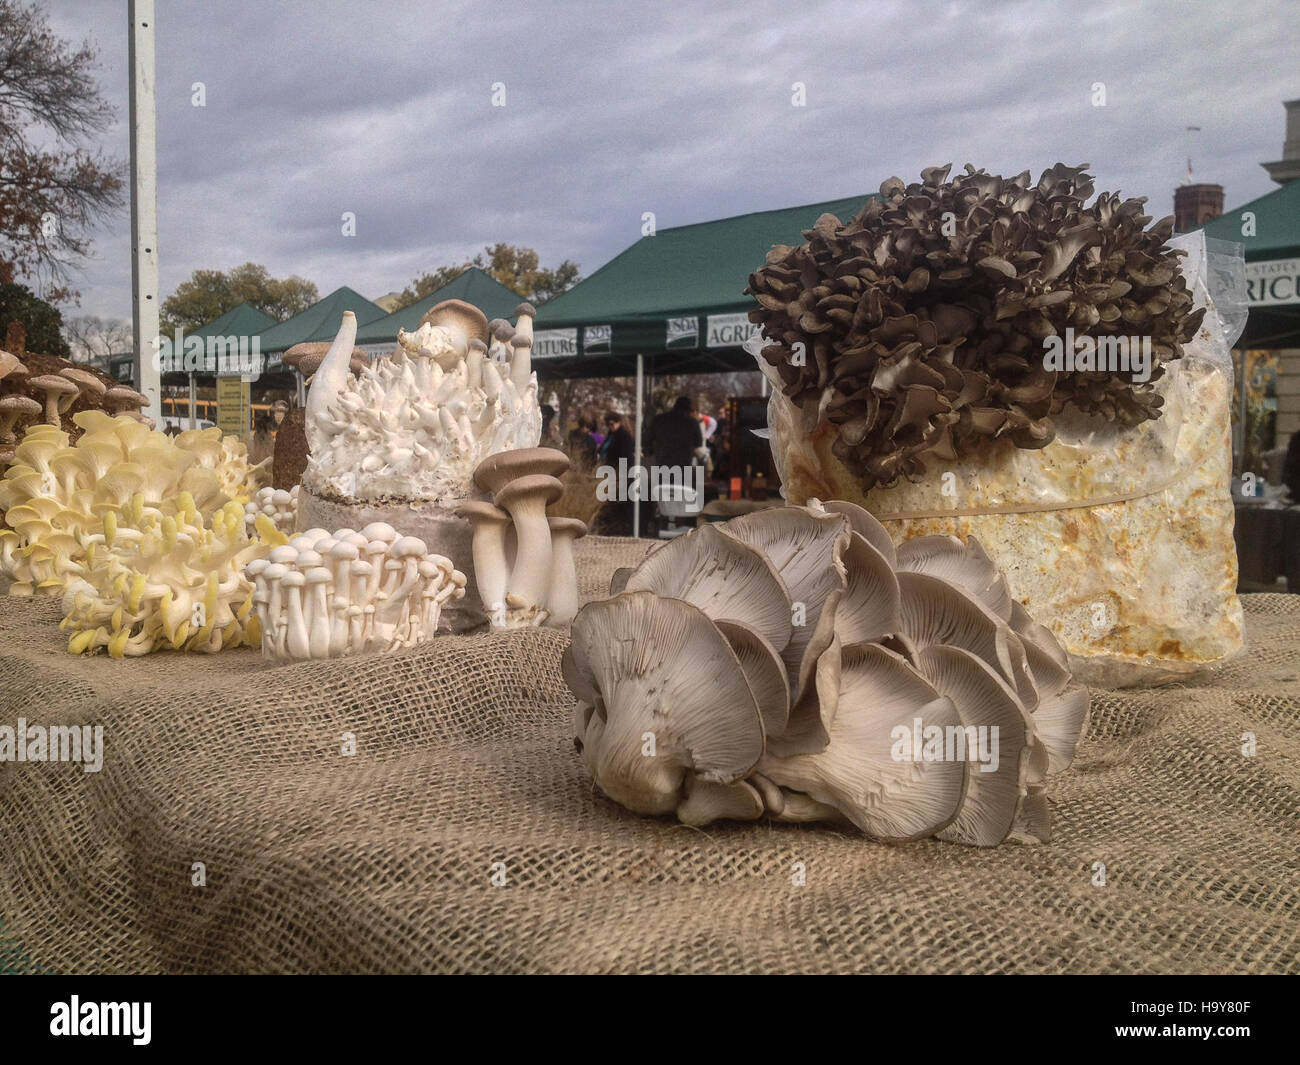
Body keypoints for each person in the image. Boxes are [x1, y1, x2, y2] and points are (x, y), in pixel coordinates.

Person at [598, 411, 637, 535]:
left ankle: (622, 529)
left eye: (612, 424)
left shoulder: (623, 436)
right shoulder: (611, 435)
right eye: (608, 425)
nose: (610, 427)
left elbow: (624, 455)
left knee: (621, 502)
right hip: (610, 471)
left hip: (620, 472)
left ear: (618, 422)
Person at [649, 396, 704, 470]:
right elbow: (698, 442)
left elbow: (647, 438)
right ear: (688, 409)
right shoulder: (692, 423)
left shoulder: (659, 419)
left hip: (662, 461)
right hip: (684, 463)